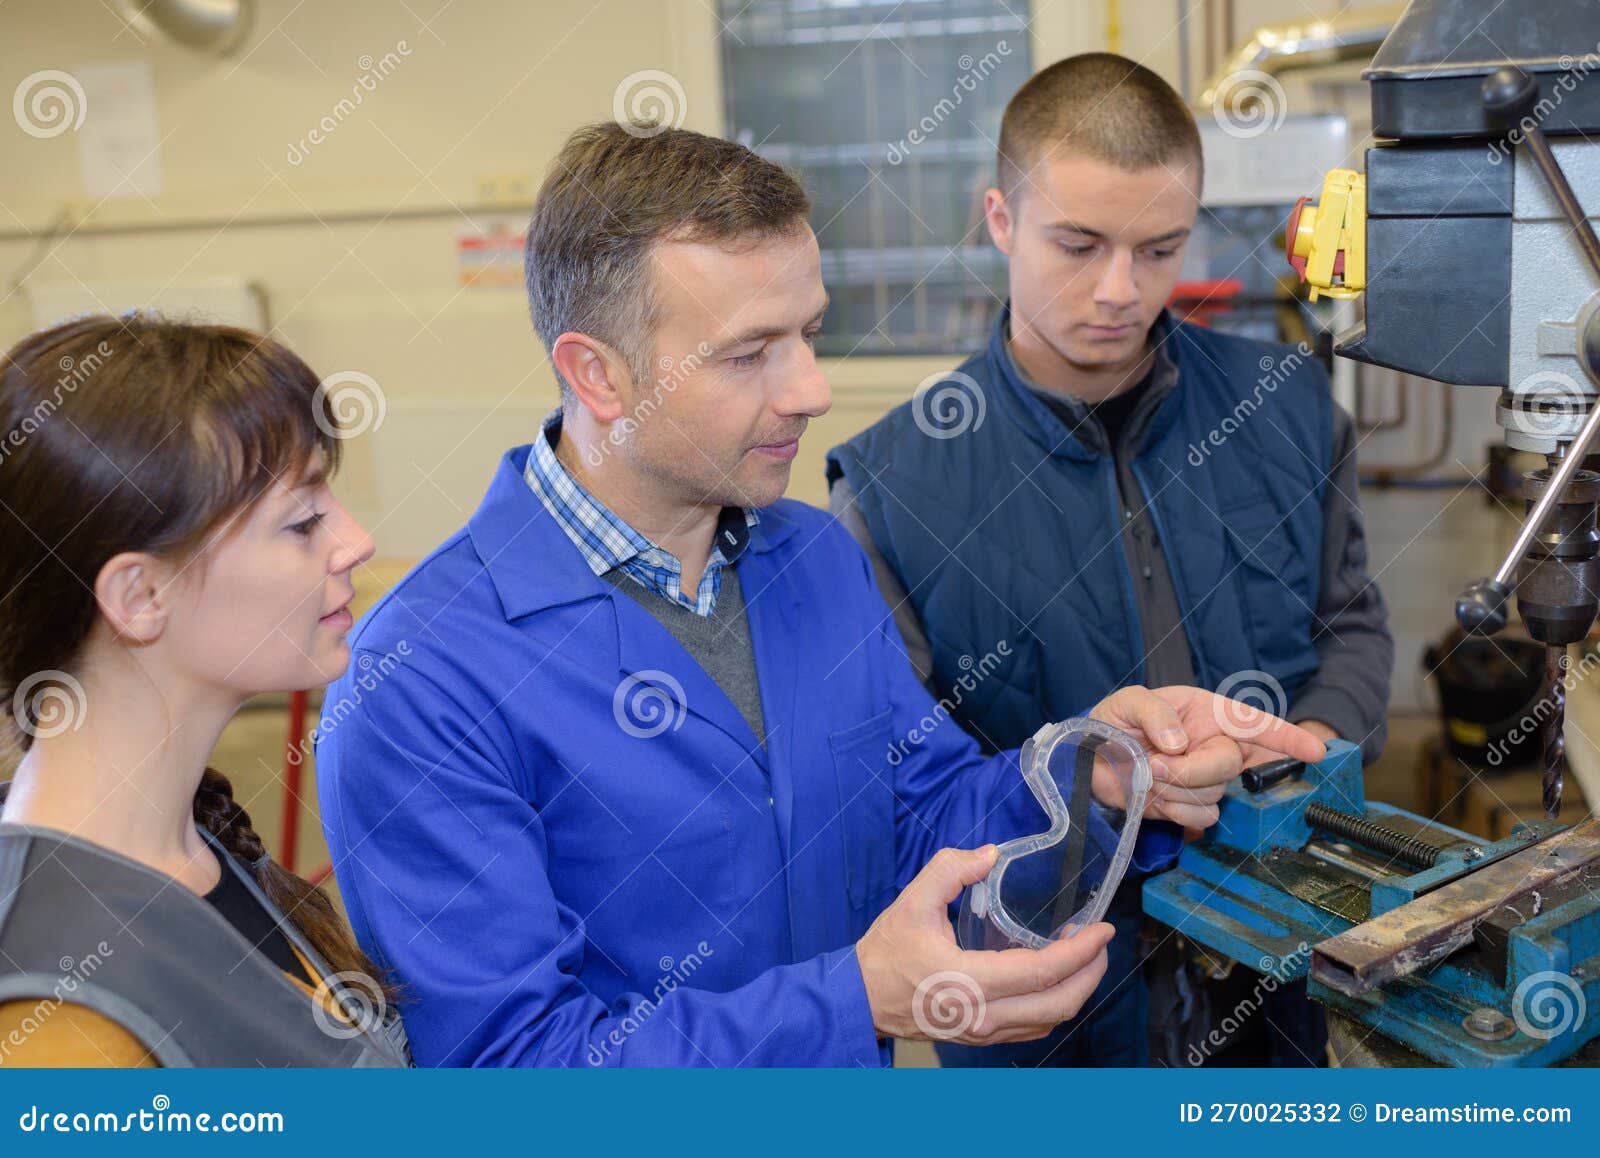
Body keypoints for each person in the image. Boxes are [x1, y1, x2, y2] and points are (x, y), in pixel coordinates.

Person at [314, 121, 1326, 1068]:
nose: (809, 389)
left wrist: (1097, 771)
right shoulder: (423, 678)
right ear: (599, 376)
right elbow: (510, 1070)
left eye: (809, 333)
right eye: (750, 354)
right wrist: (853, 1001)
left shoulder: (810, 561)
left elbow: (925, 813)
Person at [827, 53, 1393, 1068]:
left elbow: (1349, 628)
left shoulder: (1288, 405)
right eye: (1077, 244)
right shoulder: (890, 486)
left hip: (1279, 966)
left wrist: (1291, 749)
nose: (1119, 290)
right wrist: (1083, 788)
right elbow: (897, 788)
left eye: (1159, 247)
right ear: (998, 219)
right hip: (1047, 1015)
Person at [0, 315, 409, 1068]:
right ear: (141, 596)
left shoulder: (195, 849)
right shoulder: (56, 1019)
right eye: (303, 520)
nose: (354, 541)